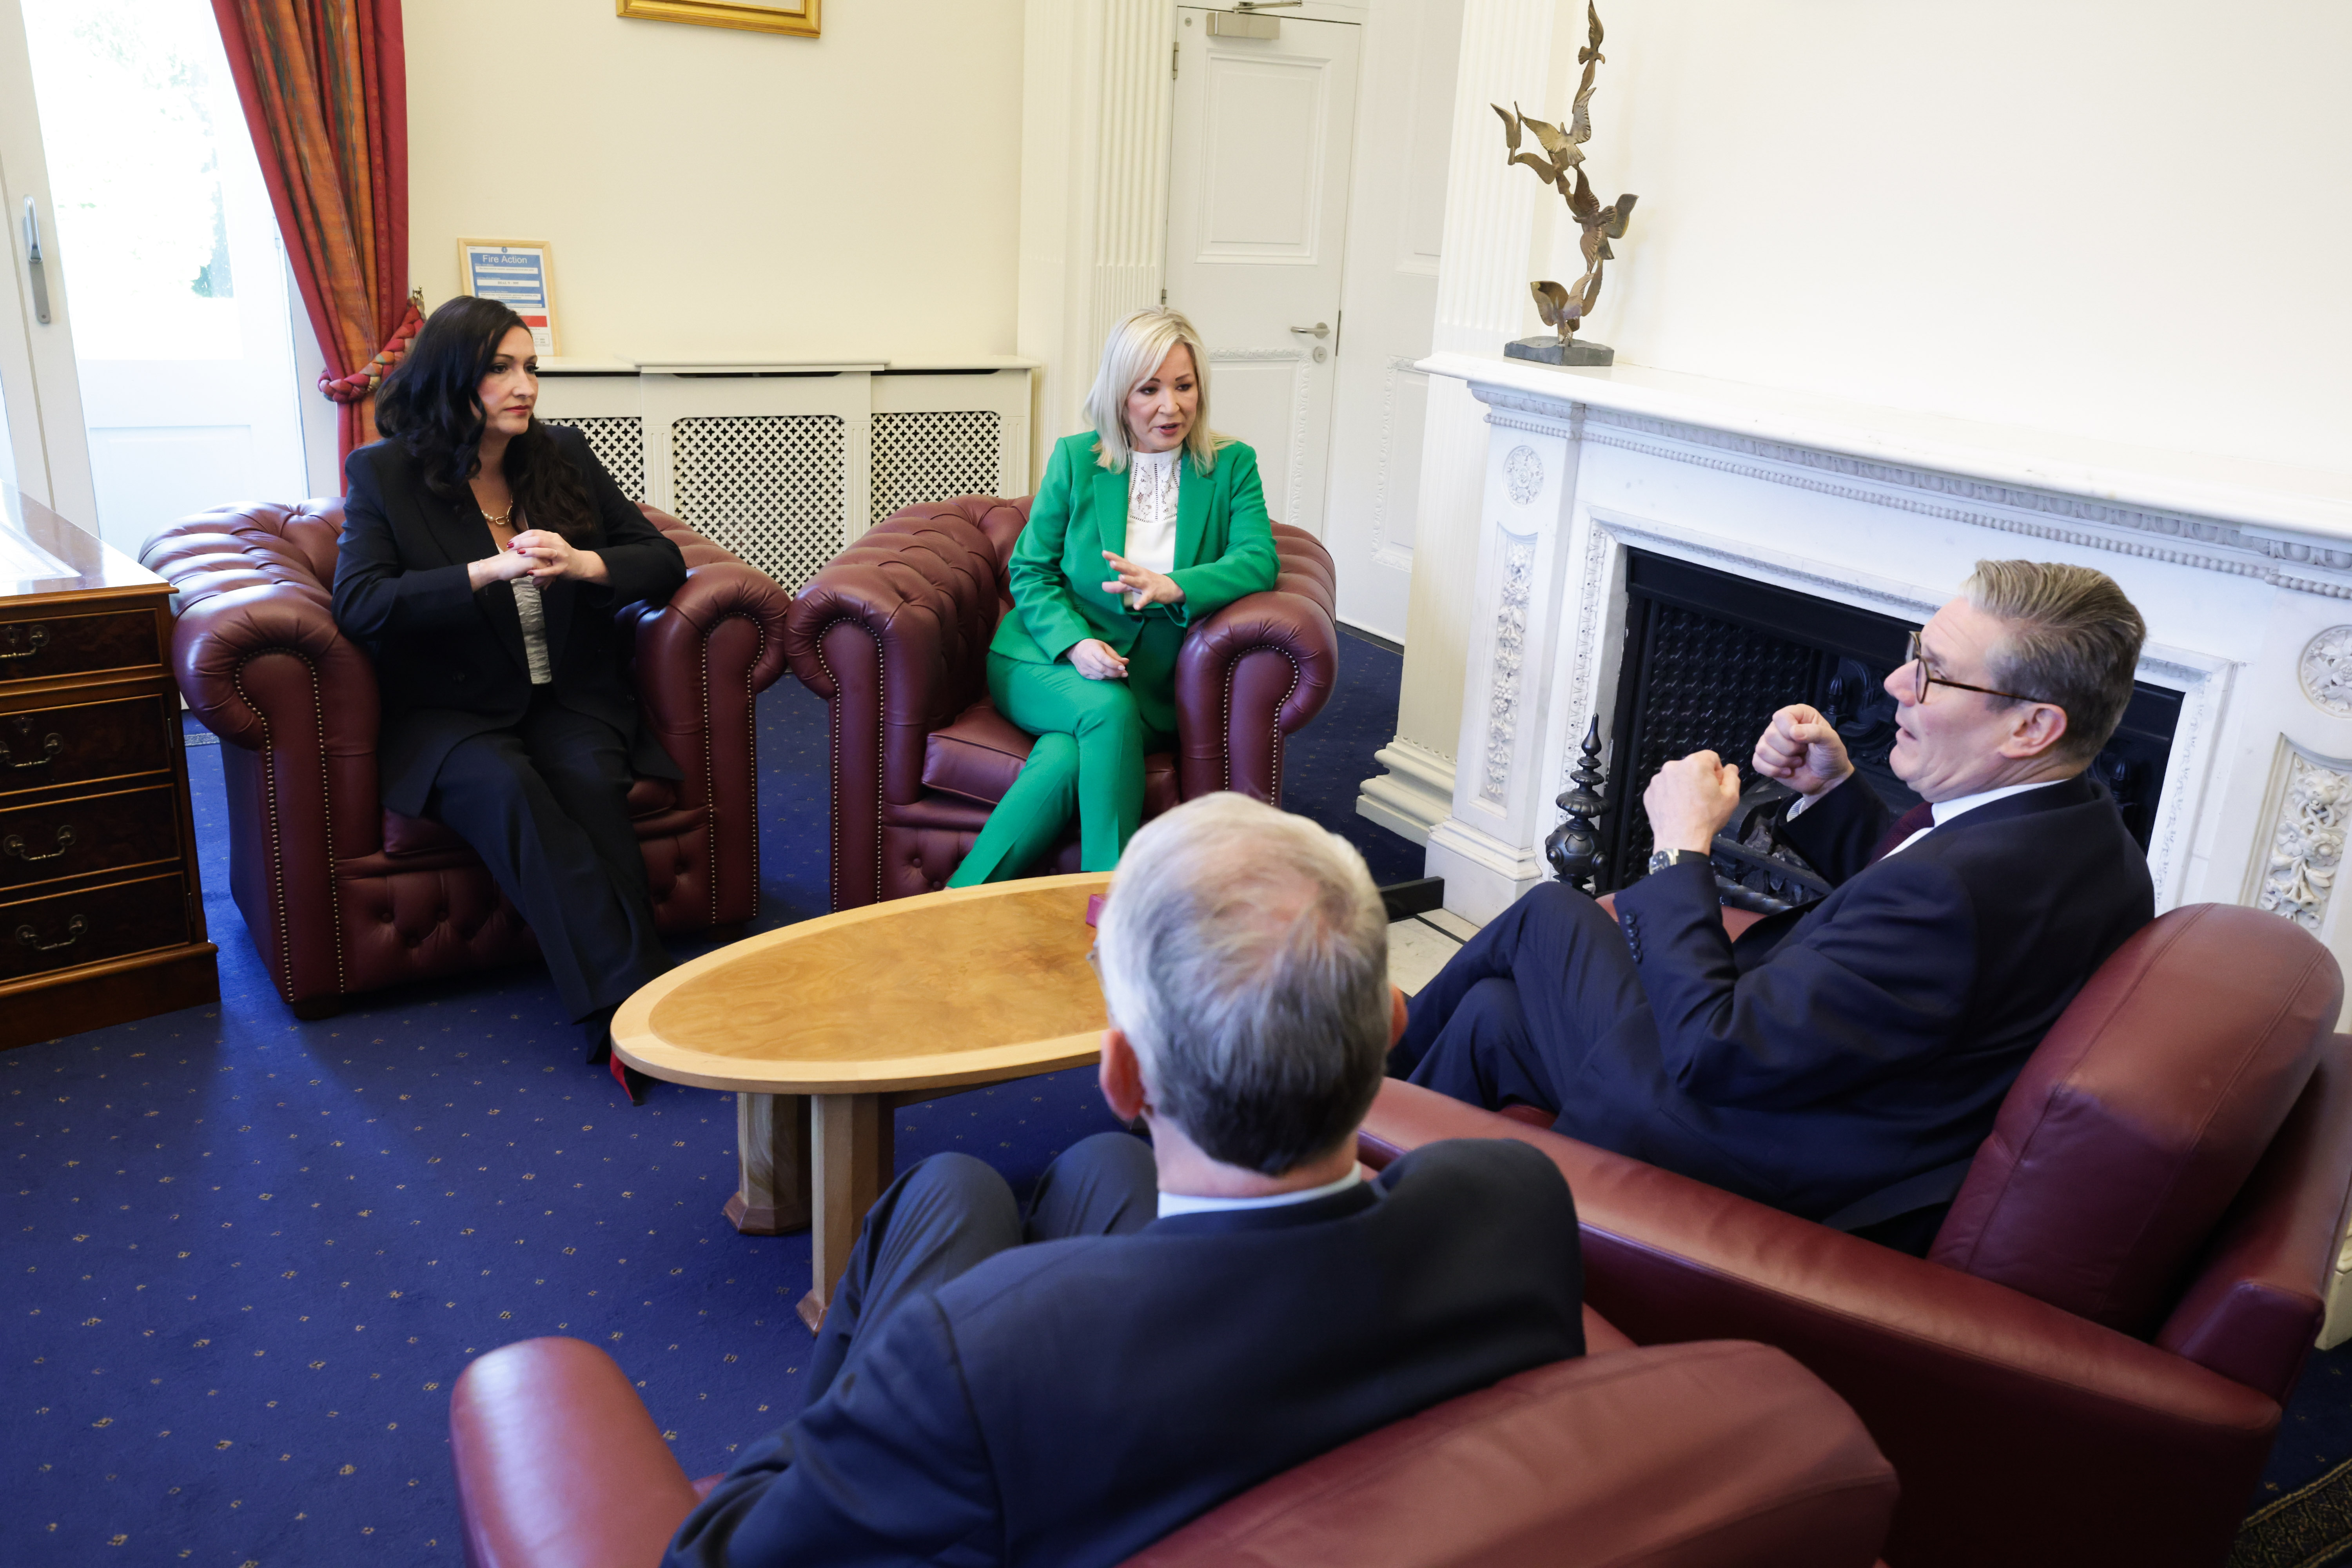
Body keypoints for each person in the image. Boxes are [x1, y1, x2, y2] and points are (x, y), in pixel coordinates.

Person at [664, 794, 1586, 1567]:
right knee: (1102, 1170)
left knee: (944, 1187)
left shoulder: (970, 1355)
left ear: (1124, 1077)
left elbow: (712, 1551)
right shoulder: (1516, 1201)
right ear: (1392, 1025)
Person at [1392, 560, 2156, 1251]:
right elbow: (1934, 918)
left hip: (1756, 1148)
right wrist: (1829, 792)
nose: (1897, 683)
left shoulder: (1954, 895)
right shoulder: (2089, 833)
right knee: (1493, 1013)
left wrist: (1680, 850)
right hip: (1836, 1104)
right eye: (1915, 651)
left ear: (2033, 726)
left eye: (1934, 673)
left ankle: (1343, 1097)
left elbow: (1713, 1046)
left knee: (1549, 916)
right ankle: (1402, 1226)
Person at [332, 295, 688, 1101]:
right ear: (456, 376)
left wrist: (583, 562)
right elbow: (362, 603)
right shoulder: (386, 472)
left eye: (530, 367)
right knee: (510, 788)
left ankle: (636, 1010)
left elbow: (660, 559)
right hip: (449, 713)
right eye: (501, 368)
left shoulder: (559, 454)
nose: (524, 385)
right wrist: (486, 572)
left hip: (568, 696)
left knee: (595, 786)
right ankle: (634, 1011)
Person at [946, 309, 1279, 885]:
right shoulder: (1078, 460)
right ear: (1119, 393)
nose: (1169, 407)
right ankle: (1113, 902)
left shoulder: (1231, 466)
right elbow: (1029, 570)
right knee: (1104, 709)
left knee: (1065, 757)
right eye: (1149, 389)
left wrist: (1175, 586)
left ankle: (953, 909)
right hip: (1043, 659)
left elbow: (1258, 559)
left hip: (1149, 687)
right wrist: (1075, 644)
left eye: (1184, 386)